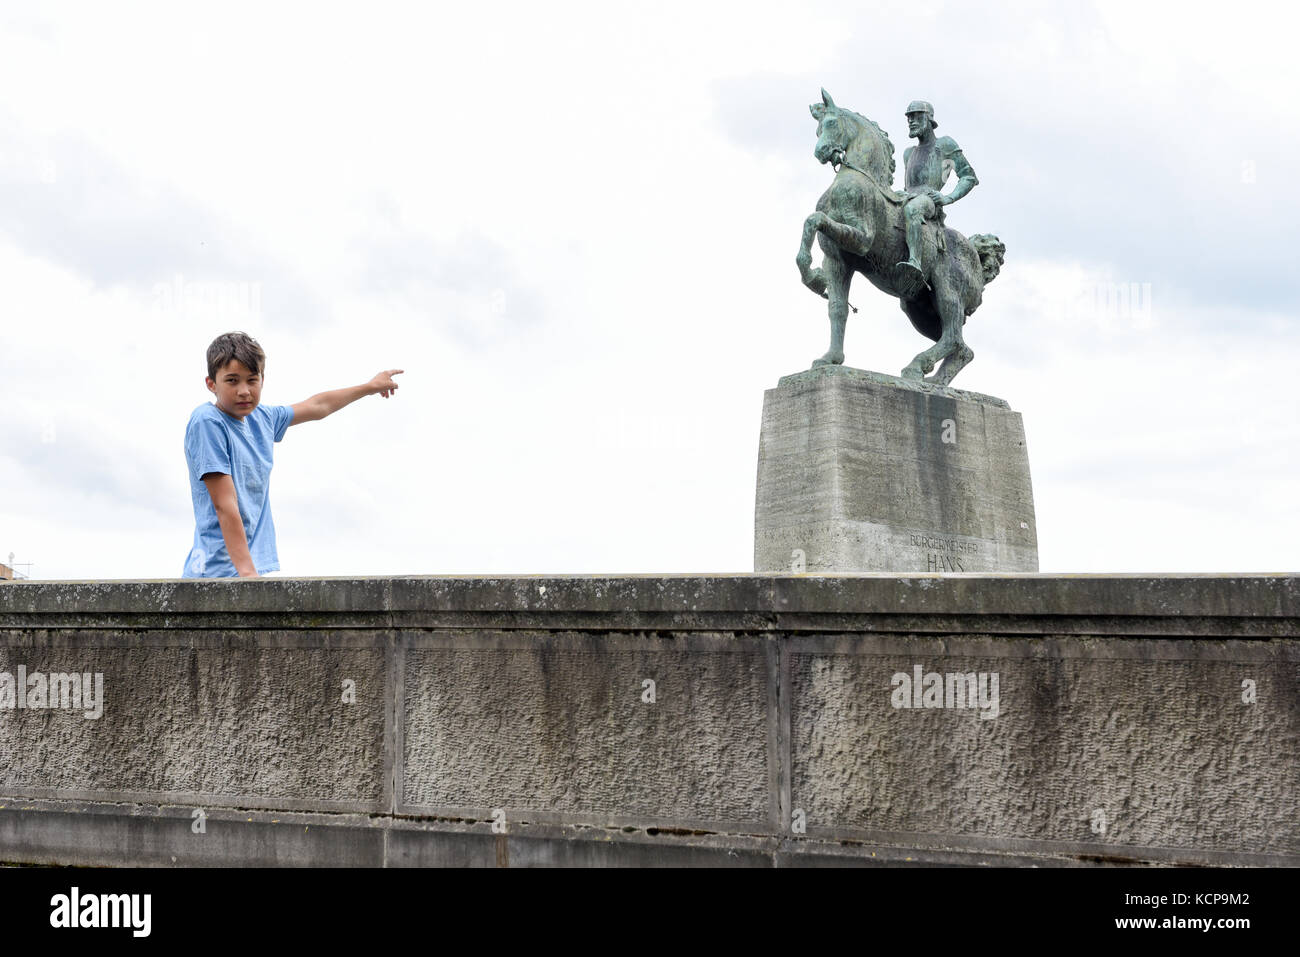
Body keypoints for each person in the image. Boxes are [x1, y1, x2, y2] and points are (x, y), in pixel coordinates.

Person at [181, 331, 403, 579]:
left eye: (251, 380)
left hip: (243, 572)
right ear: (211, 384)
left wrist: (370, 387)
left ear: (262, 380)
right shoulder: (208, 421)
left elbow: (318, 406)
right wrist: (247, 575)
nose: (244, 391)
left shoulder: (262, 419)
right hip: (215, 572)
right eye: (232, 381)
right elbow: (224, 503)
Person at [895, 100, 979, 294]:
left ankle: (915, 261)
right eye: (909, 117)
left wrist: (948, 198)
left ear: (929, 119)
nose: (911, 121)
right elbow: (907, 186)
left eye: (917, 116)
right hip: (907, 196)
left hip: (928, 201)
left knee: (912, 210)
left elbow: (968, 176)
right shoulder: (909, 153)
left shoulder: (945, 145)